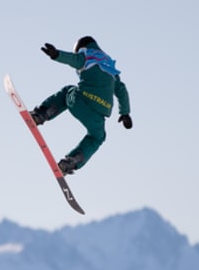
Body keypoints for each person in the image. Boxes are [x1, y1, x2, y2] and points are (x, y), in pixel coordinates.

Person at [31, 36, 132, 175]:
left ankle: (41, 115)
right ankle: (71, 162)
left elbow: (73, 59)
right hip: (98, 115)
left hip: (81, 102)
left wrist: (56, 54)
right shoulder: (110, 67)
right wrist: (125, 113)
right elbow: (121, 89)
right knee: (97, 137)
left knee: (68, 91)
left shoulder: (87, 55)